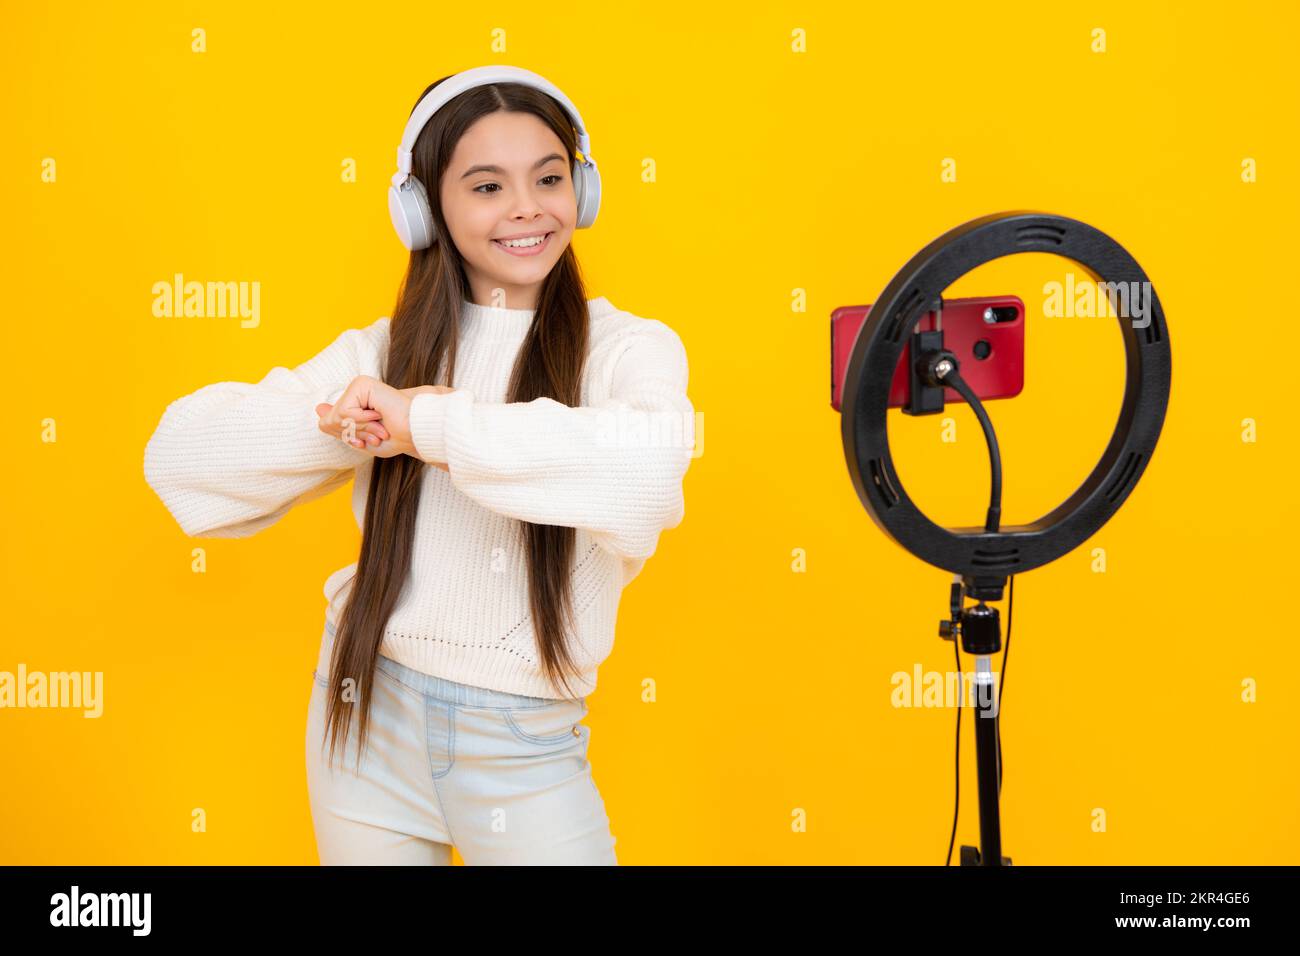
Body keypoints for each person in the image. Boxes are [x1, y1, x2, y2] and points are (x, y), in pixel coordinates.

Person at [142, 65, 695, 865]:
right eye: (487, 186)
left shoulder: (628, 350)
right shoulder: (385, 353)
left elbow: (646, 478)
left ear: (583, 191)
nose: (527, 208)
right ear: (424, 208)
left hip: (521, 745)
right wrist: (341, 426)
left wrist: (427, 424)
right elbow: (180, 460)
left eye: (549, 178)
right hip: (362, 716)